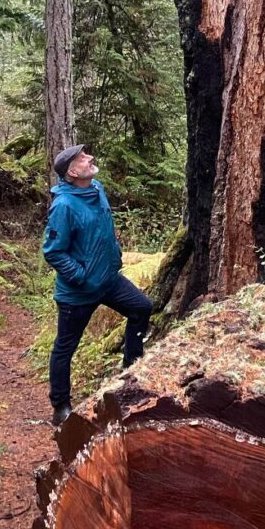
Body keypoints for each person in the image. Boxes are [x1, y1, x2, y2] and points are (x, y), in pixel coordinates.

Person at [43, 143, 154, 426]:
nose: (89, 158)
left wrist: (114, 253)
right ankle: (61, 407)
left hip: (108, 280)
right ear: (71, 172)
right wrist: (81, 276)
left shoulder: (97, 189)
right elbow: (53, 251)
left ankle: (131, 372)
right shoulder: (64, 206)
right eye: (82, 158)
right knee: (65, 348)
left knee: (142, 307)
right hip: (77, 293)